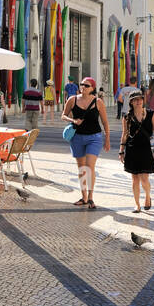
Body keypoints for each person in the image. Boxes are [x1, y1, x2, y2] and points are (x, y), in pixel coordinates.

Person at [63, 76, 109, 210]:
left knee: (89, 166)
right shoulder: (72, 100)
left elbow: (105, 122)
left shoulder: (98, 102)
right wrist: (73, 121)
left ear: (92, 88)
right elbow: (63, 115)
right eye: (82, 84)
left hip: (94, 137)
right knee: (82, 169)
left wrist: (107, 139)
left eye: (86, 85)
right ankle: (83, 197)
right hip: (77, 138)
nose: (83, 87)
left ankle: (90, 197)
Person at [120, 91, 154, 214]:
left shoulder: (151, 114)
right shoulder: (127, 117)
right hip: (132, 149)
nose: (138, 101)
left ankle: (147, 196)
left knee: (144, 178)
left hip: (147, 149)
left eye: (140, 99)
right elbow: (125, 134)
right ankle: (137, 204)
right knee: (134, 179)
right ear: (131, 102)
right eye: (135, 99)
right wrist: (121, 151)